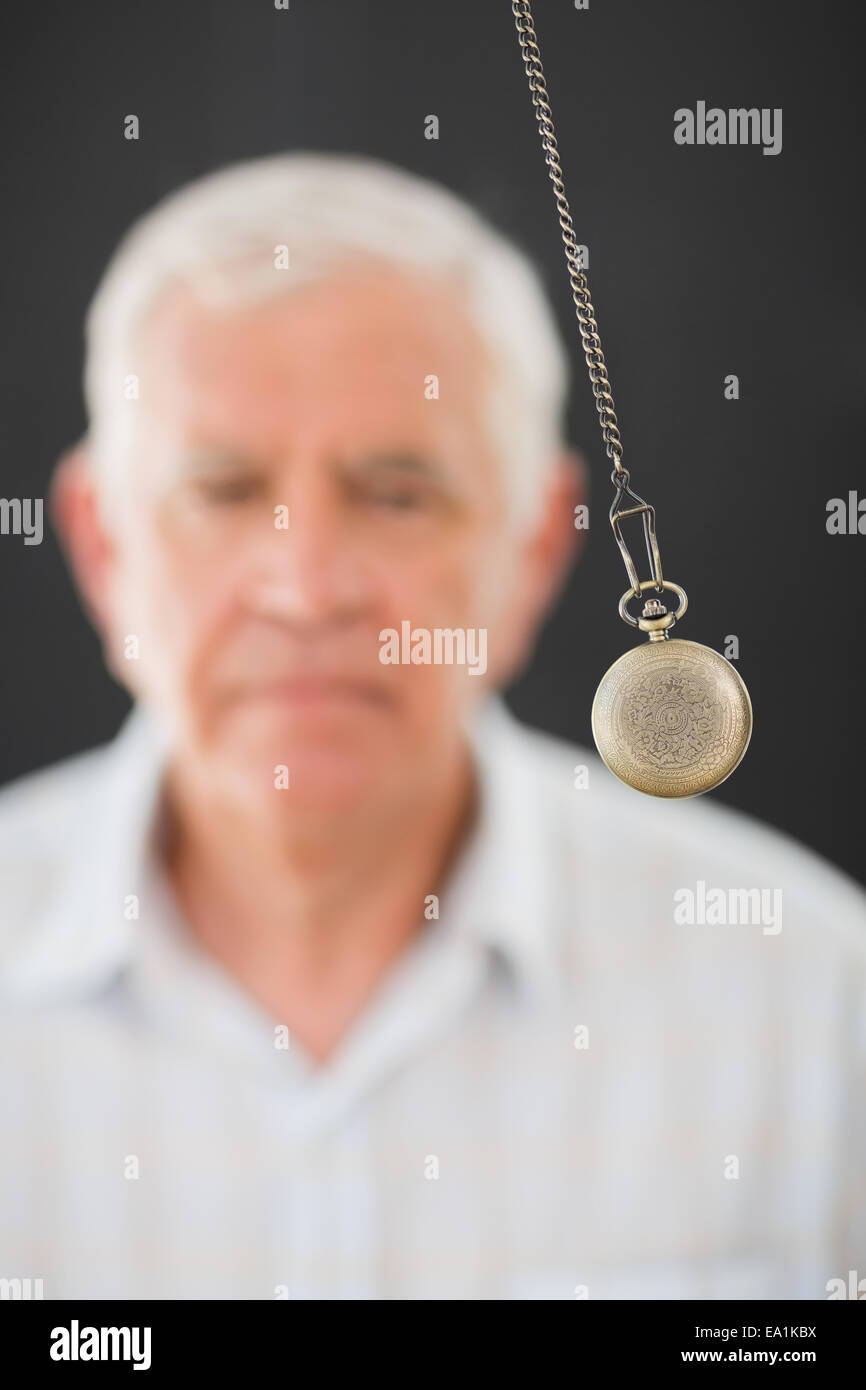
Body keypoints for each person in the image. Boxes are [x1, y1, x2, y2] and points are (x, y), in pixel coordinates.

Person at [0, 153, 863, 1301]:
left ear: (534, 550)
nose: (306, 589)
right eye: (219, 488)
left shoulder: (811, 1001)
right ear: (105, 548)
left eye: (395, 493)